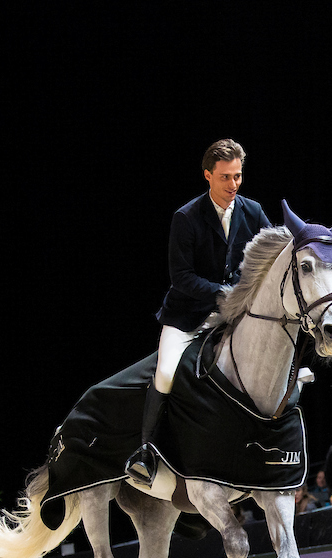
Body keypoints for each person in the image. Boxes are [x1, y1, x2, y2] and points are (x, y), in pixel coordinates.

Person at [126, 138, 272, 486]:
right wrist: (227, 292)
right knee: (164, 373)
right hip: (188, 315)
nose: (233, 185)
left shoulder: (252, 211)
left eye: (237, 176)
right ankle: (146, 453)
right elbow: (182, 278)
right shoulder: (186, 217)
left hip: (235, 312)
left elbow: (271, 254)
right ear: (208, 175)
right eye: (225, 177)